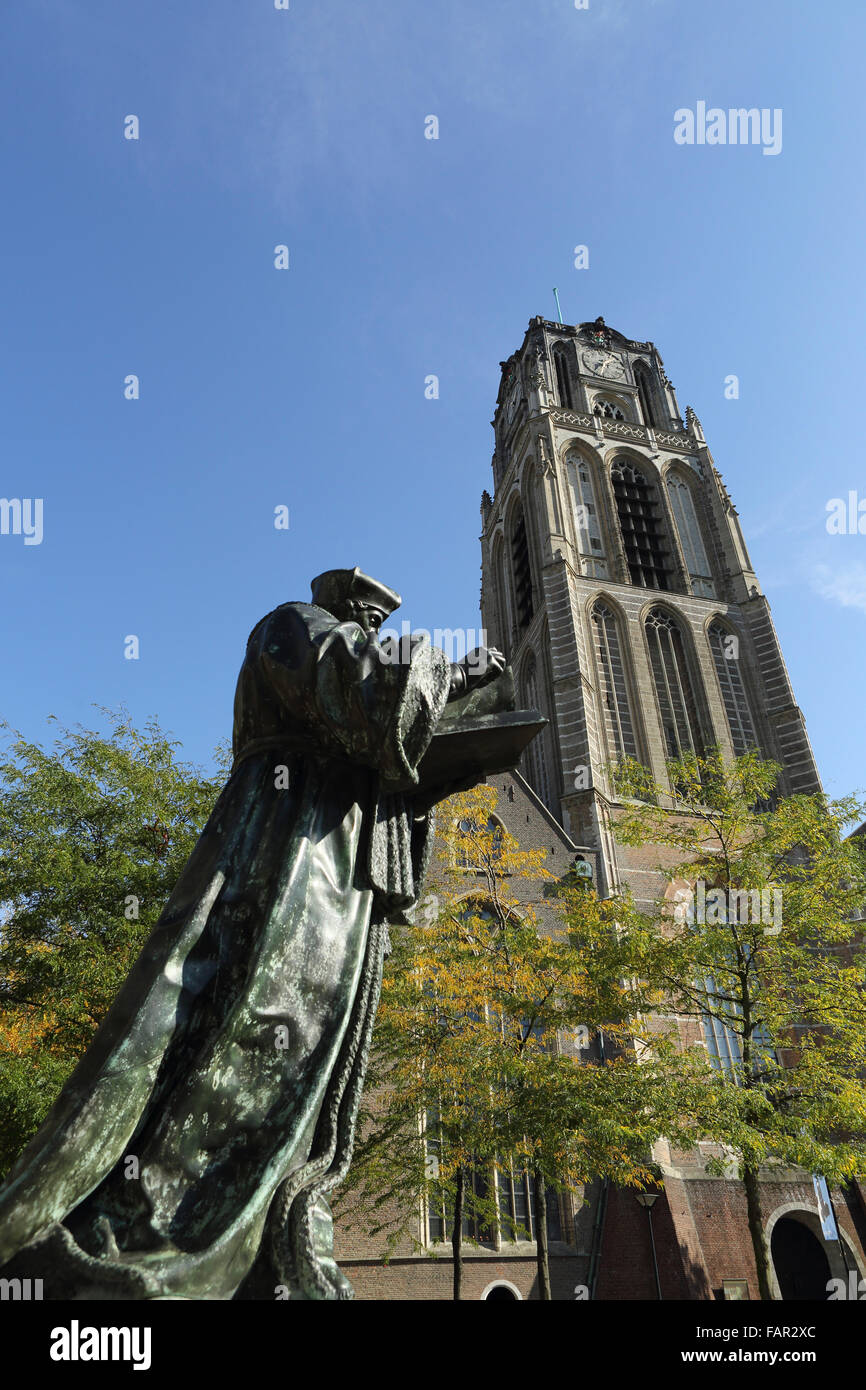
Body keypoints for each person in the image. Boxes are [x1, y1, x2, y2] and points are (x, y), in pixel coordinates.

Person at [0, 567, 504, 1299]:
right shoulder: (291, 626)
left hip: (338, 870)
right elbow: (365, 695)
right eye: (366, 616)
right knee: (249, 1035)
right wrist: (449, 673)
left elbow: (390, 740)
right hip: (288, 854)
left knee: (307, 1061)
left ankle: (273, 1235)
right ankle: (154, 1232)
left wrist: (467, 715)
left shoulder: (338, 661)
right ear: (337, 605)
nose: (374, 629)